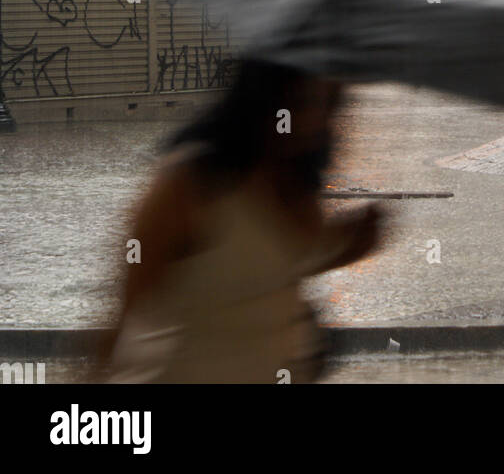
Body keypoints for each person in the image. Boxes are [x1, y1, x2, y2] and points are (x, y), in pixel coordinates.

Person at [102, 60, 380, 384]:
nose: (318, 120)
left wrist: (346, 245)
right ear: (265, 98)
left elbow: (277, 266)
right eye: (304, 102)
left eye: (332, 105)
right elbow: (126, 308)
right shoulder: (189, 184)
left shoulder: (298, 186)